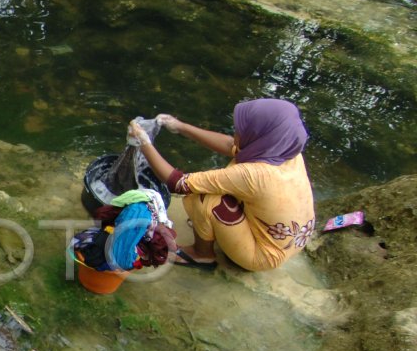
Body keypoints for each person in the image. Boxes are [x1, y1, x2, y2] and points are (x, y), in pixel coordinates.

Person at [126, 98, 315, 272]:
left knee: (205, 198)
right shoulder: (284, 150)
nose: (236, 133)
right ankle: (215, 231)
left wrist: (144, 143)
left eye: (241, 131)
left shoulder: (255, 174)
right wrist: (180, 126)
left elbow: (179, 184)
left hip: (262, 255)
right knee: (218, 190)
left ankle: (202, 255)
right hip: (290, 242)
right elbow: (232, 146)